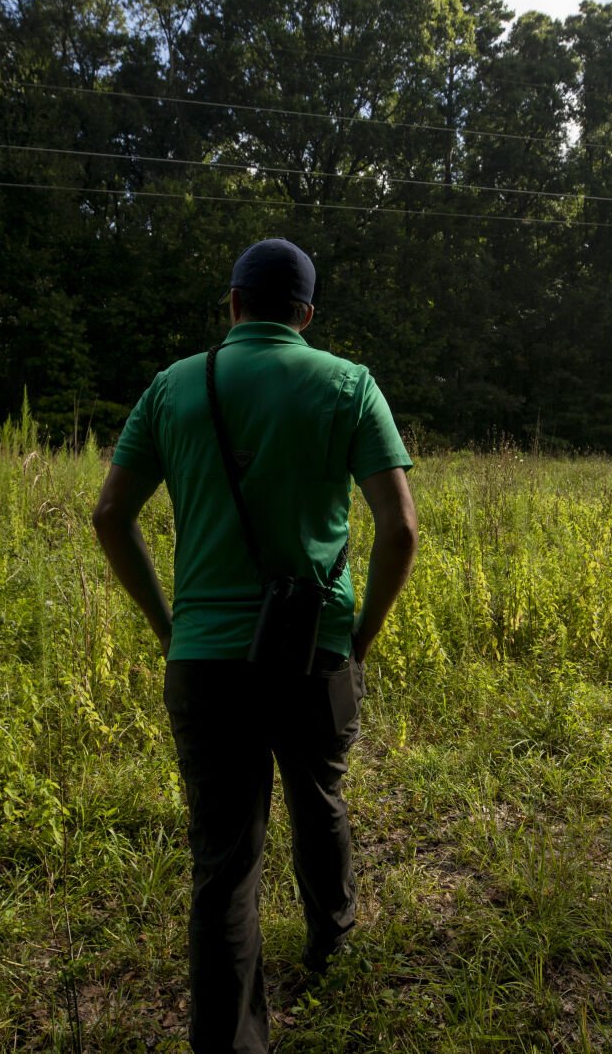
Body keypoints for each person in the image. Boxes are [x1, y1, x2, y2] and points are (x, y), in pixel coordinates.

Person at [90, 237, 418, 1054]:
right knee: (321, 795)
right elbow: (400, 528)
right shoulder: (349, 384)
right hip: (316, 651)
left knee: (226, 862)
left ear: (231, 303)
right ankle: (330, 938)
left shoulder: (175, 387)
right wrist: (360, 634)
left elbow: (109, 517)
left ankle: (229, 1043)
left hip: (203, 659)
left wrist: (173, 628)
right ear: (305, 316)